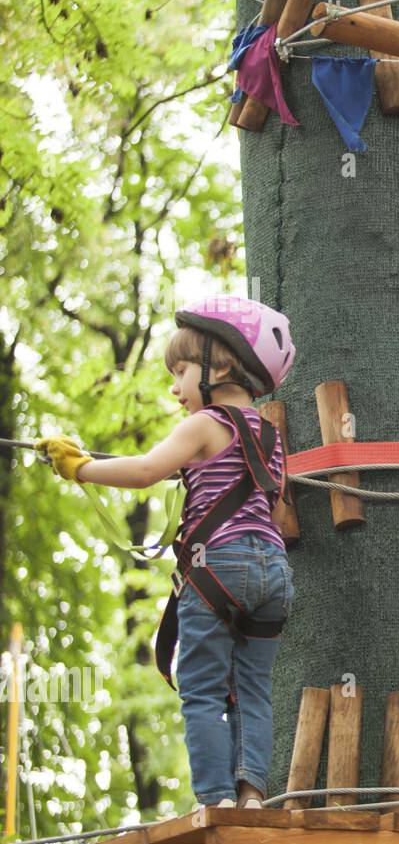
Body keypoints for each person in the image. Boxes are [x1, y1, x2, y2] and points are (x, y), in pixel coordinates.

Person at [37, 296, 297, 810]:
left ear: (218, 367)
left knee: (201, 691)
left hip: (217, 570)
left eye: (180, 371)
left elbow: (143, 471)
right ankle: (250, 795)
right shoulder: (270, 435)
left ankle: (216, 800)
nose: (174, 387)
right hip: (273, 576)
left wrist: (79, 467)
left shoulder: (203, 425)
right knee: (253, 690)